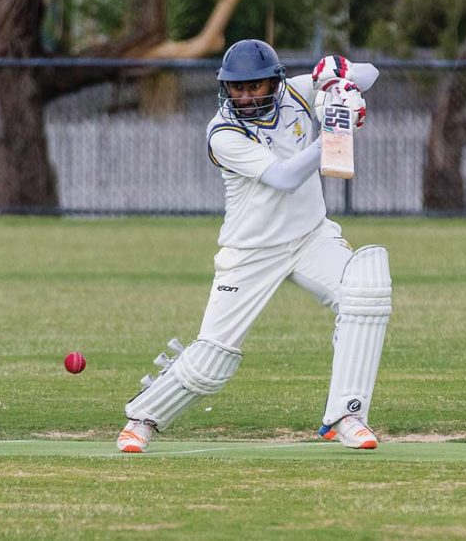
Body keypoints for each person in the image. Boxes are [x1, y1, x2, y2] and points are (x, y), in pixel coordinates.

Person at [116, 39, 392, 453]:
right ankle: (143, 419)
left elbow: (370, 74)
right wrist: (334, 131)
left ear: (274, 82)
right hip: (251, 252)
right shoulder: (222, 133)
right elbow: (283, 177)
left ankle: (346, 416)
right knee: (213, 360)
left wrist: (339, 81)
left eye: (254, 87)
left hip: (311, 236)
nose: (244, 96)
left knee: (365, 292)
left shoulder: (298, 90)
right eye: (236, 88)